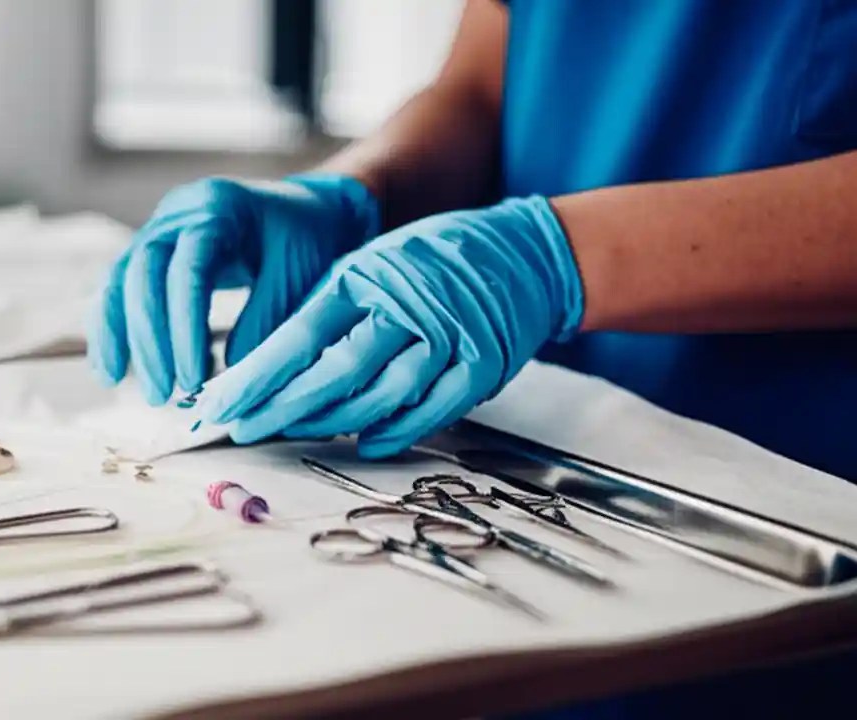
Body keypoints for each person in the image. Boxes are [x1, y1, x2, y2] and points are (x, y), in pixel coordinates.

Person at [87, 0, 857, 480]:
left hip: (801, 484)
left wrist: (552, 257)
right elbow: (479, 83)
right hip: (546, 444)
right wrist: (355, 190)